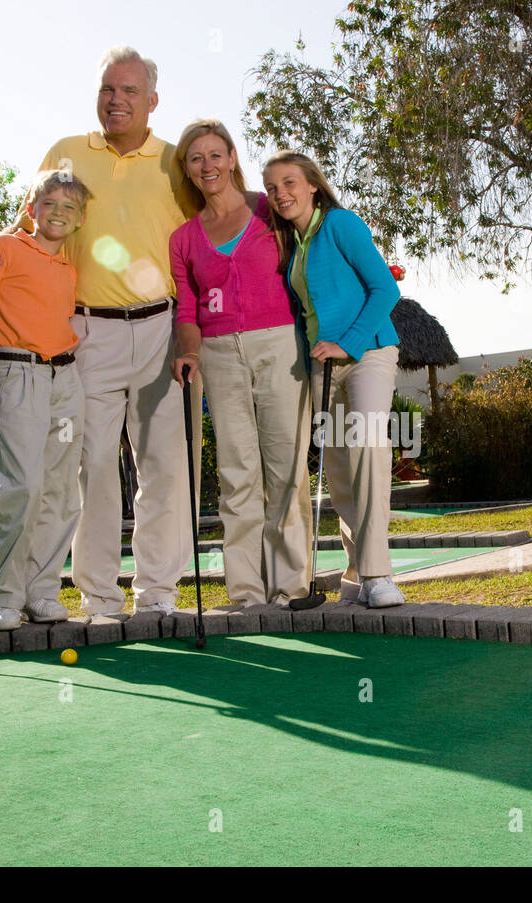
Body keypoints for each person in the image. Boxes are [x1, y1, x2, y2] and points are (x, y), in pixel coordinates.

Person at [0, 46, 200, 618]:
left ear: (152, 100)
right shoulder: (67, 151)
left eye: (128, 91)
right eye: (106, 89)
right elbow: (33, 221)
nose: (115, 100)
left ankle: (158, 595)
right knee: (92, 466)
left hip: (160, 329)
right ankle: (100, 596)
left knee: (164, 467)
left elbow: (203, 240)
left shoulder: (176, 164)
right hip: (85, 333)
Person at [168, 121, 312, 607]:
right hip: (219, 353)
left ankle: (291, 586)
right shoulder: (184, 238)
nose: (207, 166)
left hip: (280, 345)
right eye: (196, 158)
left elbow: (316, 250)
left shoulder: (270, 208)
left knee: (285, 467)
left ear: (231, 157)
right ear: (187, 169)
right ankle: (246, 592)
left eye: (215, 155)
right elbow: (186, 310)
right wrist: (189, 352)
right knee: (237, 471)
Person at [261, 151, 404, 608]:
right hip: (323, 368)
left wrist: (348, 342)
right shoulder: (294, 246)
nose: (281, 193)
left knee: (366, 450)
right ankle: (358, 572)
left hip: (370, 354)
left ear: (313, 186)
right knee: (341, 472)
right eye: (271, 188)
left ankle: (380, 575)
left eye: (289, 183)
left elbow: (386, 288)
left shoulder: (341, 224)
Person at [0, 170, 91, 630]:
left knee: (60, 488)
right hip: (18, 373)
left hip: (67, 377)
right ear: (31, 208)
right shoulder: (5, 248)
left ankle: (43, 591)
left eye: (69, 207)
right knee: (23, 484)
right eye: (49, 203)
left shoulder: (68, 266)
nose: (58, 213)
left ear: (80, 219)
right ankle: (7, 597)